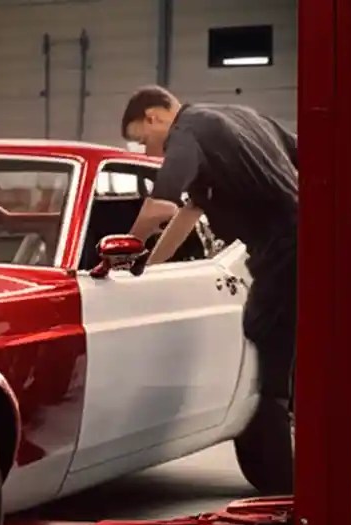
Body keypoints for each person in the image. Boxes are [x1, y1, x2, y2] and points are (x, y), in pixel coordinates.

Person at [119, 86, 298, 495]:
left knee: (265, 348)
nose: (148, 152)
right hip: (303, 242)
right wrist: (149, 267)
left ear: (154, 117)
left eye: (143, 140)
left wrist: (121, 254)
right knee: (294, 351)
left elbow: (158, 207)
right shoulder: (243, 117)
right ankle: (313, 471)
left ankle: (284, 483)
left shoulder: (187, 131)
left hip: (284, 249)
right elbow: (188, 213)